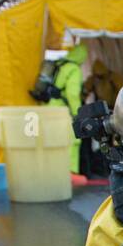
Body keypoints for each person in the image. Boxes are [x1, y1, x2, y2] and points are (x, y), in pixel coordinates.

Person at [49, 42, 88, 174]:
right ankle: (71, 172)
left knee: (53, 141)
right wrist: (77, 113)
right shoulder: (74, 69)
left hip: (49, 108)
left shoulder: (60, 64)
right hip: (63, 110)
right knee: (73, 141)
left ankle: (54, 170)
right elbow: (72, 93)